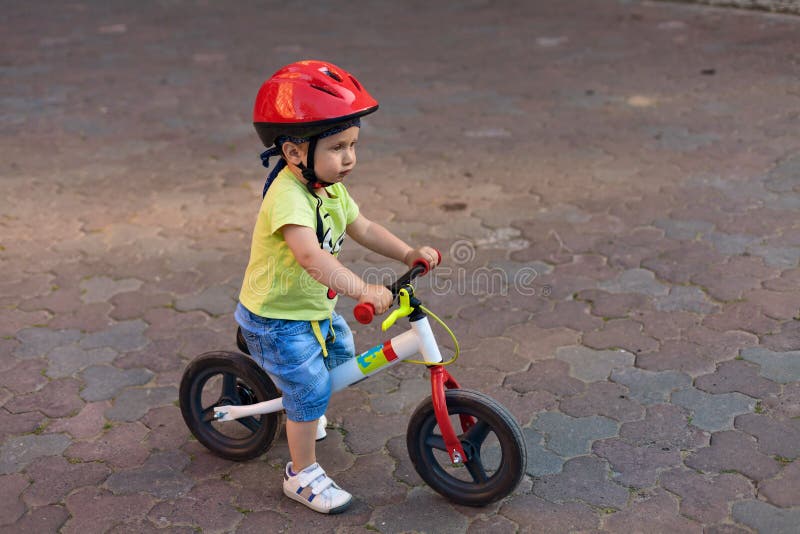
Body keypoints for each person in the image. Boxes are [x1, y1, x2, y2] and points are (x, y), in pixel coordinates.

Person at [235, 60, 438, 514]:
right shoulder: (287, 196)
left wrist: (408, 254)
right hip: (276, 318)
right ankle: (301, 474)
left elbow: (363, 227)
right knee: (309, 390)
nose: (349, 158)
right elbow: (311, 256)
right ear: (293, 153)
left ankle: (300, 408)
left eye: (353, 145)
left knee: (340, 363)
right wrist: (361, 288)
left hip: (312, 311)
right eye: (336, 147)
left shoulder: (330, 188)